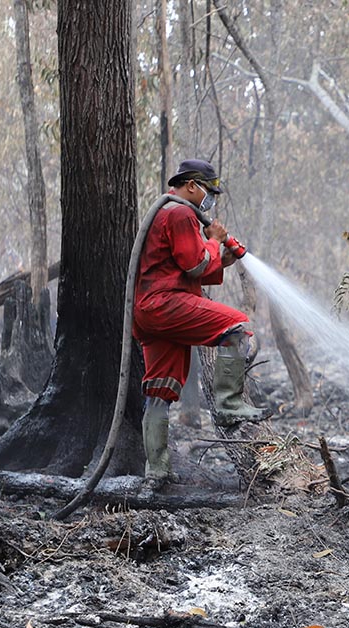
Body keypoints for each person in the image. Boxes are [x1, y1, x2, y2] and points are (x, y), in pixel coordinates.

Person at [132, 158, 269, 486]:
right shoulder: (179, 213)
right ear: (191, 185)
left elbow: (195, 265)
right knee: (237, 325)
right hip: (167, 303)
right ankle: (228, 405)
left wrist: (224, 257)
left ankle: (157, 472)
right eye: (208, 191)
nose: (211, 199)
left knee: (160, 388)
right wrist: (214, 237)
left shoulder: (168, 213)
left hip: (149, 311)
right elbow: (195, 265)